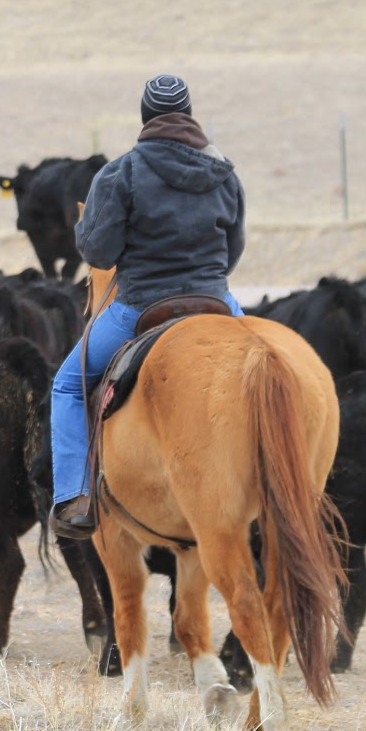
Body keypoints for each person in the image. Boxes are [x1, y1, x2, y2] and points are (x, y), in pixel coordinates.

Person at [51, 74, 247, 536]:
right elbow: (232, 254)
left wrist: (86, 229)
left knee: (68, 387)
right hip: (215, 300)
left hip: (140, 307)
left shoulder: (120, 173)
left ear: (145, 116)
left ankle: (76, 497)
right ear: (189, 113)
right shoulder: (224, 173)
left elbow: (99, 254)